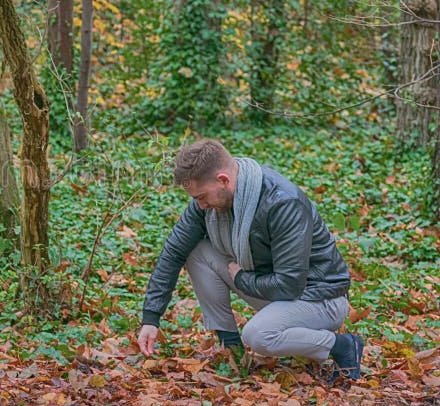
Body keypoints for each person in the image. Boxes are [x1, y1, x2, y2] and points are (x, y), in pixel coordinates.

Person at [138, 139, 364, 380]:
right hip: (272, 290)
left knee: (258, 335)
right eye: (196, 198)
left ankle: (342, 346)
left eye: (202, 196)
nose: (200, 206)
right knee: (197, 251)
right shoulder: (207, 205)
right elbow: (174, 253)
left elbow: (289, 284)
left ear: (223, 180)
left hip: (320, 298)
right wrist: (151, 318)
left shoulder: (282, 202)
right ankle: (231, 348)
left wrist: (242, 278)